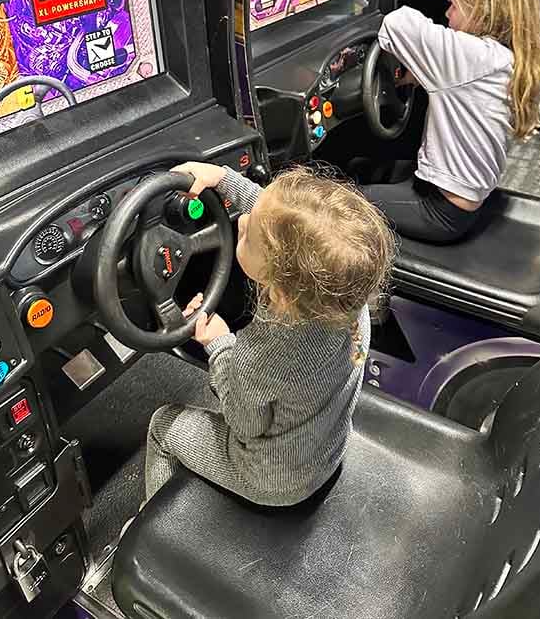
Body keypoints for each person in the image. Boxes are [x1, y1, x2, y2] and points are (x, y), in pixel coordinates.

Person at [144, 162, 394, 506]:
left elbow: (243, 422)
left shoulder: (269, 350)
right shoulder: (344, 292)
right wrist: (224, 179)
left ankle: (153, 536)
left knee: (162, 425)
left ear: (280, 292)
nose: (241, 222)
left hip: (274, 480)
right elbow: (282, 221)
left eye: (246, 236)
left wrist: (218, 342)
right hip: (325, 451)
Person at [364, 0, 540, 244]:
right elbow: (461, 90)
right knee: (374, 166)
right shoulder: (502, 58)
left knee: (344, 204)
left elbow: (397, 23)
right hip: (466, 201)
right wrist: (418, 74)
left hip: (440, 213)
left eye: (455, 5)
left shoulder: (471, 57)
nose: (447, 13)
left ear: (483, 13)